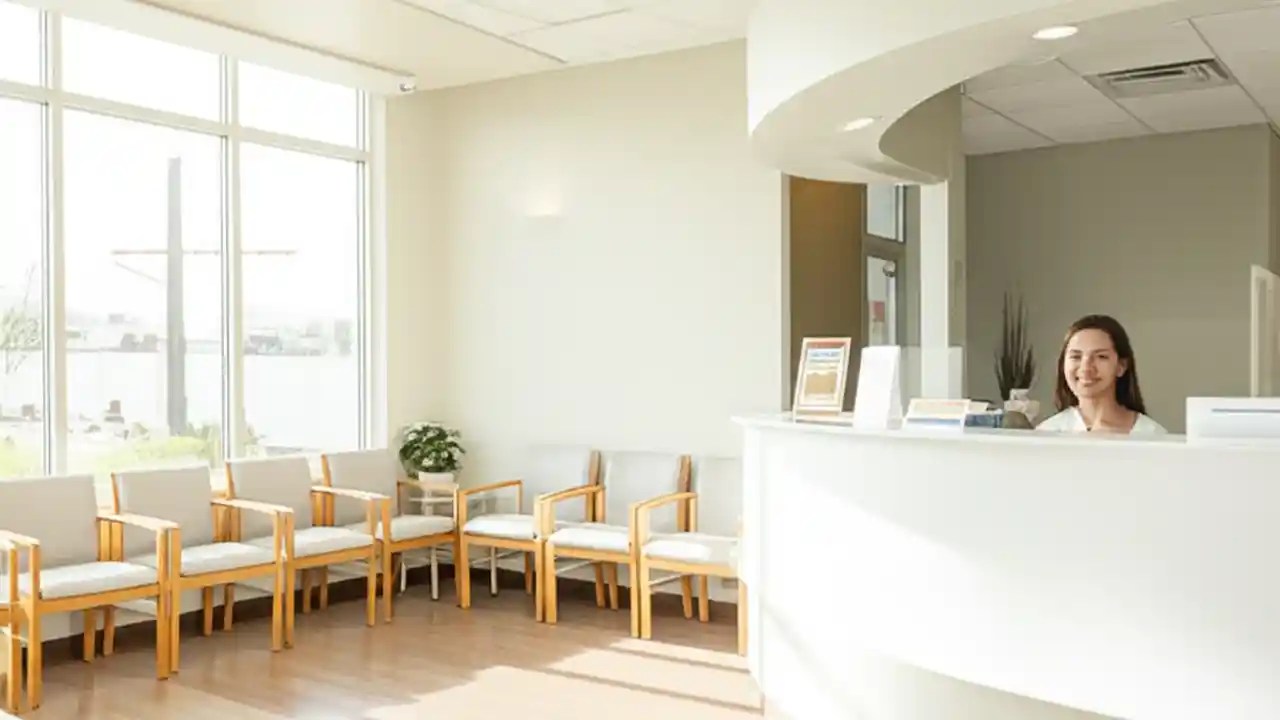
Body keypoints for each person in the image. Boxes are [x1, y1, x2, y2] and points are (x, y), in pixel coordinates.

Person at [1036, 314, 1167, 435]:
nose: (1086, 368)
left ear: (1121, 366)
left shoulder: (1152, 434)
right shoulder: (1047, 432)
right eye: (1076, 356)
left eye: (1101, 356)